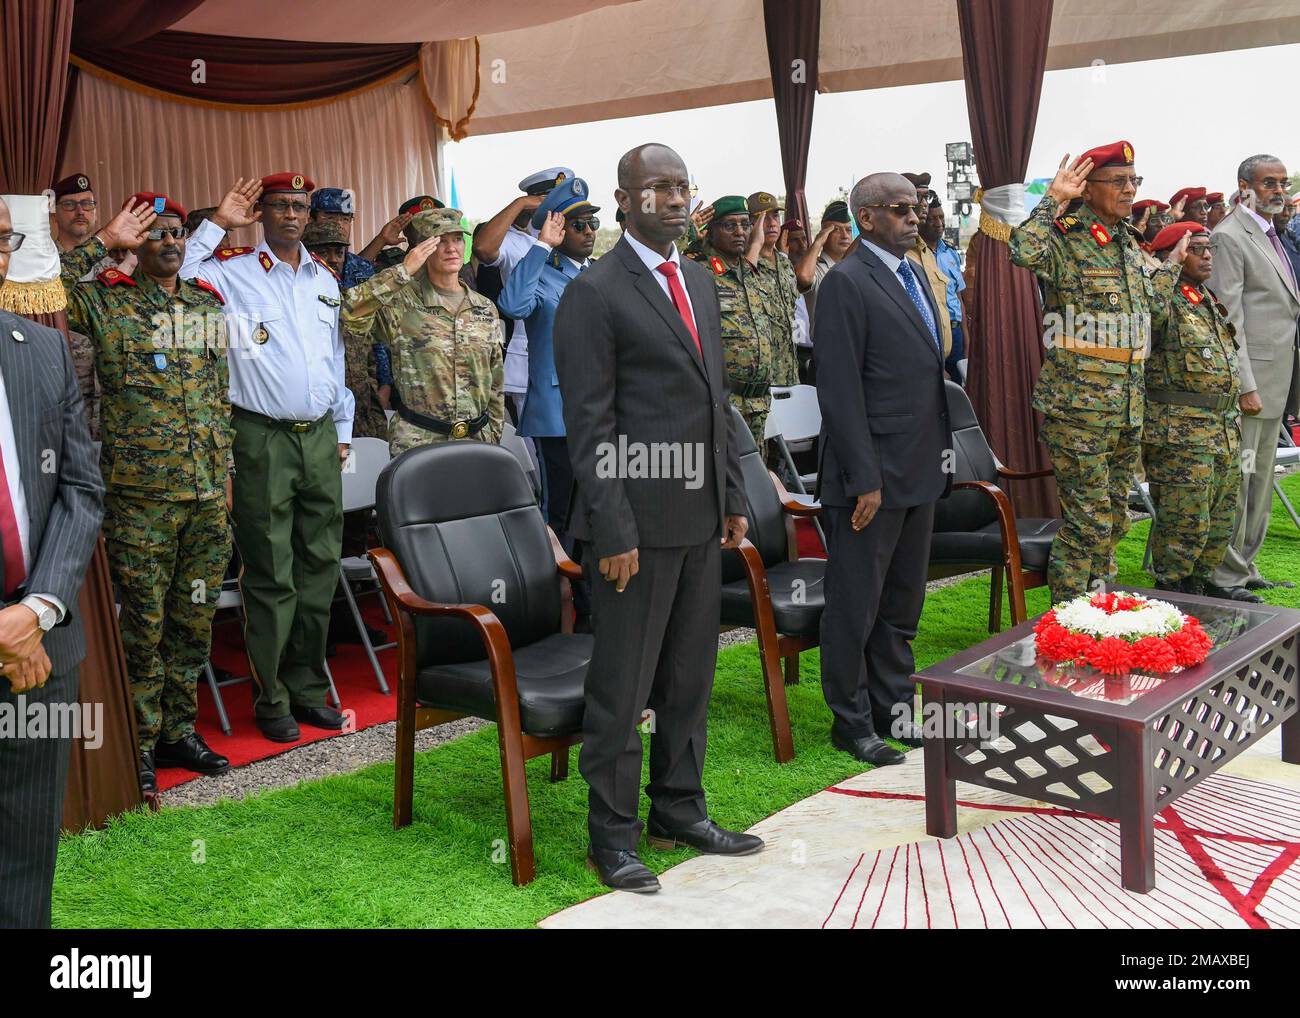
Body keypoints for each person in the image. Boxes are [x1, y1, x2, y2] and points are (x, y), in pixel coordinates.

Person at [554, 142, 759, 893]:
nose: (675, 200)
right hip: (632, 532)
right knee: (621, 690)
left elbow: (716, 402)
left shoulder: (698, 280)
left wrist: (732, 498)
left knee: (687, 680)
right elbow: (590, 425)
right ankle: (612, 837)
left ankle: (679, 807)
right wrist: (613, 531)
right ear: (624, 200)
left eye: (683, 187)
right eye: (659, 189)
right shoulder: (594, 292)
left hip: (699, 519)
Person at [60, 192, 233, 791]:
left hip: (207, 497)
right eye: (156, 232)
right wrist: (102, 241)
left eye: (177, 232)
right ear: (139, 242)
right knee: (143, 625)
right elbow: (33, 292)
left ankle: (179, 732)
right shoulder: (104, 301)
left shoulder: (205, 303)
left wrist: (226, 477)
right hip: (140, 501)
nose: (169, 241)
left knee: (193, 620)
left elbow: (218, 397)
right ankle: (137, 745)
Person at [181, 173, 354, 743]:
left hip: (322, 436)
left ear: (310, 215)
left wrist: (344, 427)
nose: (291, 215)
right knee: (271, 571)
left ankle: (308, 687)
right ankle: (272, 695)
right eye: (279, 205)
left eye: (300, 206)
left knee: (321, 564)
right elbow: (180, 277)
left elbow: (334, 359)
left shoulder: (324, 279)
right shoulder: (230, 271)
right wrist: (218, 223)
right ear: (261, 214)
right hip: (261, 437)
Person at [813, 173, 951, 765]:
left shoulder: (911, 271)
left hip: (917, 464)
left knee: (900, 601)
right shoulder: (847, 281)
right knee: (856, 603)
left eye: (916, 207)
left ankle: (893, 707)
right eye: (899, 208)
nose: (913, 216)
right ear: (866, 218)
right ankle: (850, 719)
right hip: (869, 477)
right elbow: (839, 389)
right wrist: (863, 477)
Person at [1010, 141, 1187, 603]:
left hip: (1126, 402)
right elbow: (1023, 252)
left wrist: (1169, 268)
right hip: (1079, 406)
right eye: (1119, 181)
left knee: (1115, 517)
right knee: (1087, 521)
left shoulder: (1128, 241)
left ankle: (1099, 606)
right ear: (1087, 189)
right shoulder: (1068, 236)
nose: (1130, 189)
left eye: (1135, 180)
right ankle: (1067, 619)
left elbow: (1152, 310)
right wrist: (1053, 200)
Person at [0, 196, 105, 928]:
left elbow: (81, 490)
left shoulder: (42, 351)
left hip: (39, 643)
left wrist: (34, 611)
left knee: (27, 844)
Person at [498, 179, 599, 627]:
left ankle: (597, 601)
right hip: (559, 416)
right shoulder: (539, 272)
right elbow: (513, 304)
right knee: (563, 515)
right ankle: (563, 606)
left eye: (592, 222)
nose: (589, 230)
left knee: (601, 509)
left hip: (602, 414)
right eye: (578, 224)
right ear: (556, 228)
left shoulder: (595, 274)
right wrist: (540, 247)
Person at [1207, 153, 1300, 599]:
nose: (1278, 191)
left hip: (1276, 381)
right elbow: (1229, 320)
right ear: (1244, 185)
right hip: (1252, 386)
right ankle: (1226, 576)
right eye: (1268, 183)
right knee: (1241, 479)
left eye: (1281, 183)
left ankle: (1246, 565)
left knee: (1261, 478)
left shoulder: (1270, 234)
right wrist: (1245, 385)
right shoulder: (1229, 236)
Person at [343, 207, 504, 455]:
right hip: (419, 443)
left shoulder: (484, 307)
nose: (452, 248)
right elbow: (350, 312)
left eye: (457, 239)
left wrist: (493, 435)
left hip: (477, 441)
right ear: (421, 249)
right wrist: (403, 271)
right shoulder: (401, 303)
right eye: (440, 241)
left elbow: (494, 382)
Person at [1142, 221, 1242, 595]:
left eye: (1208, 248)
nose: (1206, 255)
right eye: (1195, 249)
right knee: (1184, 523)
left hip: (1221, 429)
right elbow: (1148, 315)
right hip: (1180, 434)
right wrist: (1169, 264)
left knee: (1218, 522)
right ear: (1176, 254)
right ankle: (1175, 596)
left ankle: (1203, 593)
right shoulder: (1163, 297)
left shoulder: (1204, 300)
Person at [473, 168, 573, 425]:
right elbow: (483, 249)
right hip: (529, 357)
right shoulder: (512, 240)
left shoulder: (566, 237)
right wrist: (518, 204)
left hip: (569, 354)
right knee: (540, 448)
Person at [685, 195, 775, 448]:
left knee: (755, 480)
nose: (739, 232)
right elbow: (663, 266)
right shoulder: (699, 272)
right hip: (723, 401)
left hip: (758, 402)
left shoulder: (754, 273)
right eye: (729, 225)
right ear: (710, 232)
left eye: (745, 225)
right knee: (726, 481)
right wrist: (688, 234)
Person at [747, 191, 802, 387]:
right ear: (749, 224)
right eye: (763, 218)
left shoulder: (784, 263)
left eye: (775, 216)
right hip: (761, 381)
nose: (772, 223)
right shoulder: (744, 266)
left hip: (790, 373)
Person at [918, 200, 966, 382]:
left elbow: (959, 299)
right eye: (932, 219)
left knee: (959, 388)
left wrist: (966, 341)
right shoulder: (913, 254)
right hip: (932, 334)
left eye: (941, 217)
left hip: (956, 334)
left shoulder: (951, 253)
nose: (939, 223)